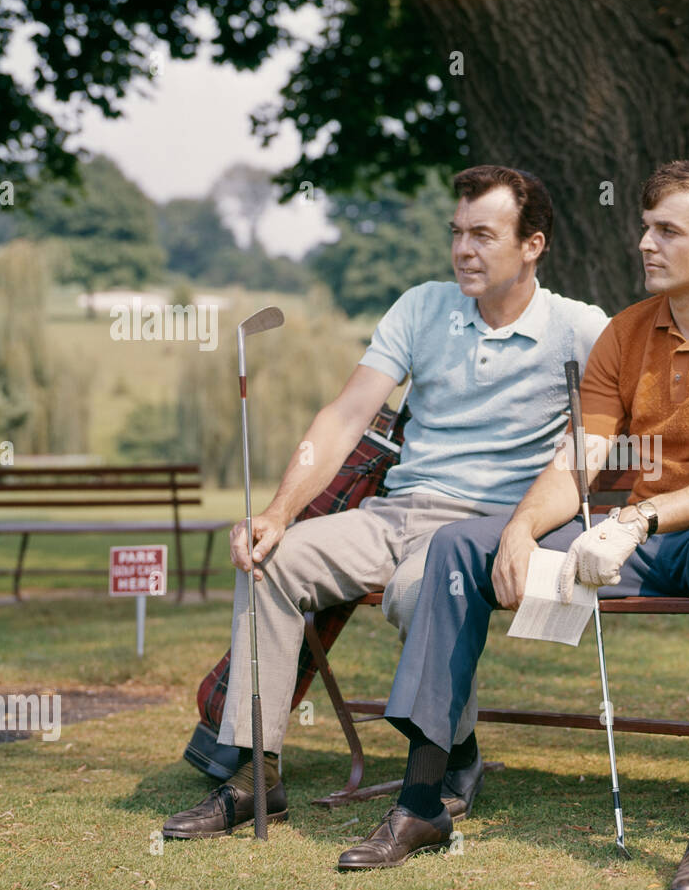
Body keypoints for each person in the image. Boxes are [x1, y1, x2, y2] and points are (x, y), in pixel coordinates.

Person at [339, 158, 689, 890]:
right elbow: (576, 462)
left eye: (667, 231)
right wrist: (523, 529)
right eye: (645, 227)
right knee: (464, 544)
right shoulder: (626, 333)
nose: (645, 244)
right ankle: (422, 802)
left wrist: (635, 517)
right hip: (645, 539)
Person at [161, 165, 608, 839]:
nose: (463, 249)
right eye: (457, 233)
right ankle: (257, 775)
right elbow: (344, 417)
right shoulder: (421, 307)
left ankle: (454, 757)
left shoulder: (578, 328)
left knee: (413, 591)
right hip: (392, 514)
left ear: (533, 245)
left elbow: (631, 407)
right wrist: (279, 514)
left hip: (480, 531)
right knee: (271, 560)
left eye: (484, 235)